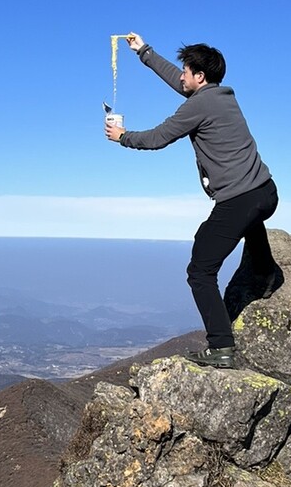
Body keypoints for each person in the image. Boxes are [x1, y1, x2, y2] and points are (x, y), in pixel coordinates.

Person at [105, 32, 279, 369]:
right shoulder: (220, 97)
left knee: (200, 270)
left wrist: (123, 137)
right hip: (265, 192)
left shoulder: (199, 105)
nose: (181, 75)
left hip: (239, 198)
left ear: (200, 77)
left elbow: (159, 137)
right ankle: (266, 272)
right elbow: (179, 82)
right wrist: (144, 52)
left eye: (186, 71)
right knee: (250, 220)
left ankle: (221, 346)